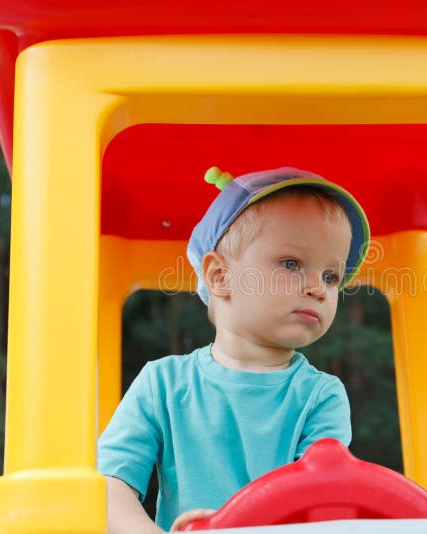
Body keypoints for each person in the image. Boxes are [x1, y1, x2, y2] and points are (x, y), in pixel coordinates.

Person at [98, 166, 370, 533]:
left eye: (330, 276)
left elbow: (317, 505)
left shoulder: (320, 397)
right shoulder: (162, 384)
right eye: (291, 264)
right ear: (221, 277)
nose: (319, 289)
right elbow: (109, 487)